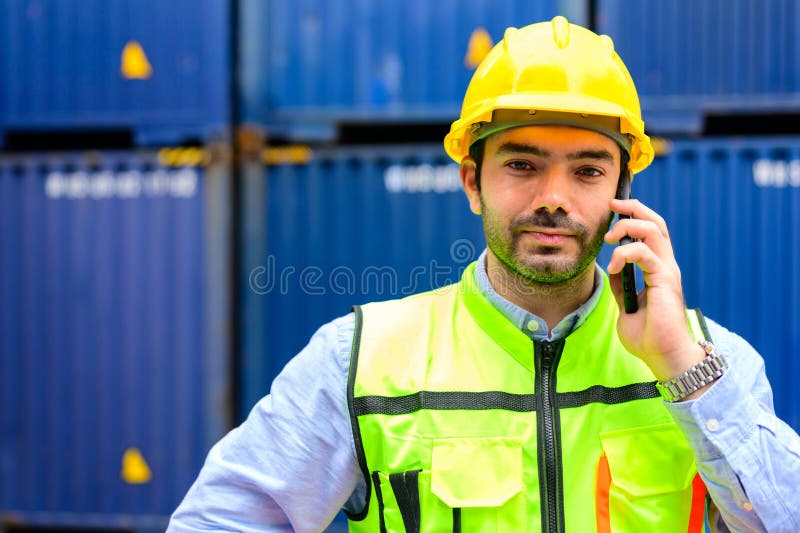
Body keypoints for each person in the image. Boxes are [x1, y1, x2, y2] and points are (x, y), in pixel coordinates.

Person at [167, 17, 800, 533]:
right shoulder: (359, 361)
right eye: (523, 165)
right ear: (473, 182)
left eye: (587, 170)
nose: (554, 197)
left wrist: (681, 369)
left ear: (622, 193)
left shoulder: (708, 365)